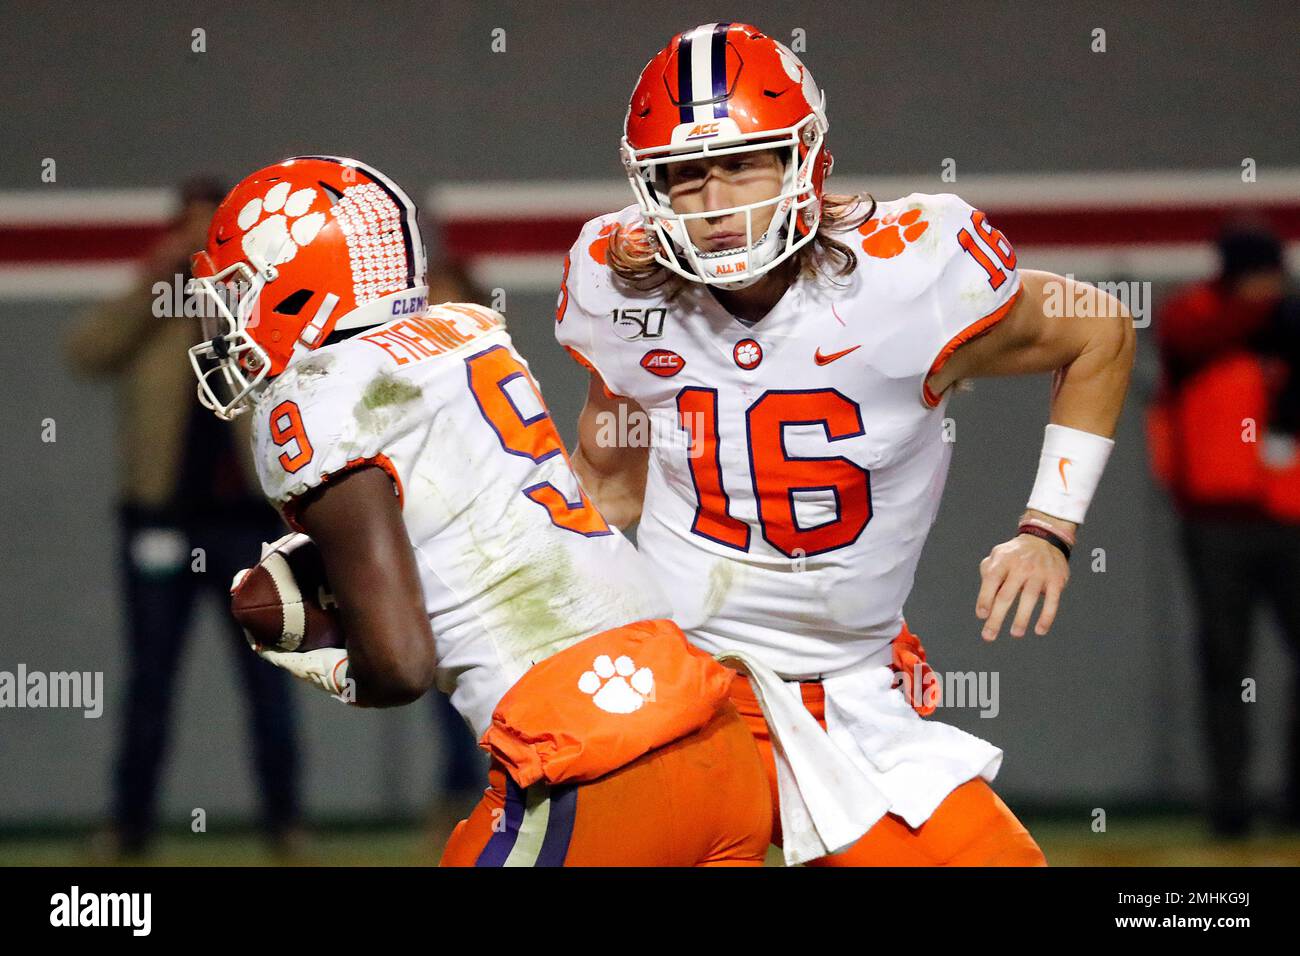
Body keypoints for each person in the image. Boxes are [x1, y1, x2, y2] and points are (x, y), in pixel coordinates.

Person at [555, 22, 1136, 865]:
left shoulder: (908, 277)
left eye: (742, 163)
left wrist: (1050, 527)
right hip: (683, 688)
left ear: (805, 161)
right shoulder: (619, 286)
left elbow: (1101, 332)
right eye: (684, 177)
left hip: (852, 696)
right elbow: (608, 482)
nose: (715, 205)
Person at [187, 155, 772, 866]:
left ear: (299, 278)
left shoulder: (312, 400)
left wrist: (337, 666)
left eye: (244, 289)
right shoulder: (466, 329)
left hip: (586, 760)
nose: (233, 316)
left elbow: (400, 666)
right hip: (718, 744)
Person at [65, 176, 302, 859]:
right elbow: (87, 352)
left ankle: (285, 825)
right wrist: (156, 278)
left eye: (213, 233)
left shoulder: (259, 306)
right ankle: (129, 827)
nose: (200, 248)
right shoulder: (154, 308)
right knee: (150, 685)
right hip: (159, 521)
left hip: (248, 526)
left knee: (270, 682)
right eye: (190, 232)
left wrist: (240, 287)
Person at [1149, 222, 1300, 836]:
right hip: (1216, 520)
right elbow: (1190, 339)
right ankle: (1230, 808)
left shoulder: (1289, 323)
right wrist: (1266, 313)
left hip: (1290, 514)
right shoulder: (1198, 317)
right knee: (1224, 663)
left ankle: (1294, 803)